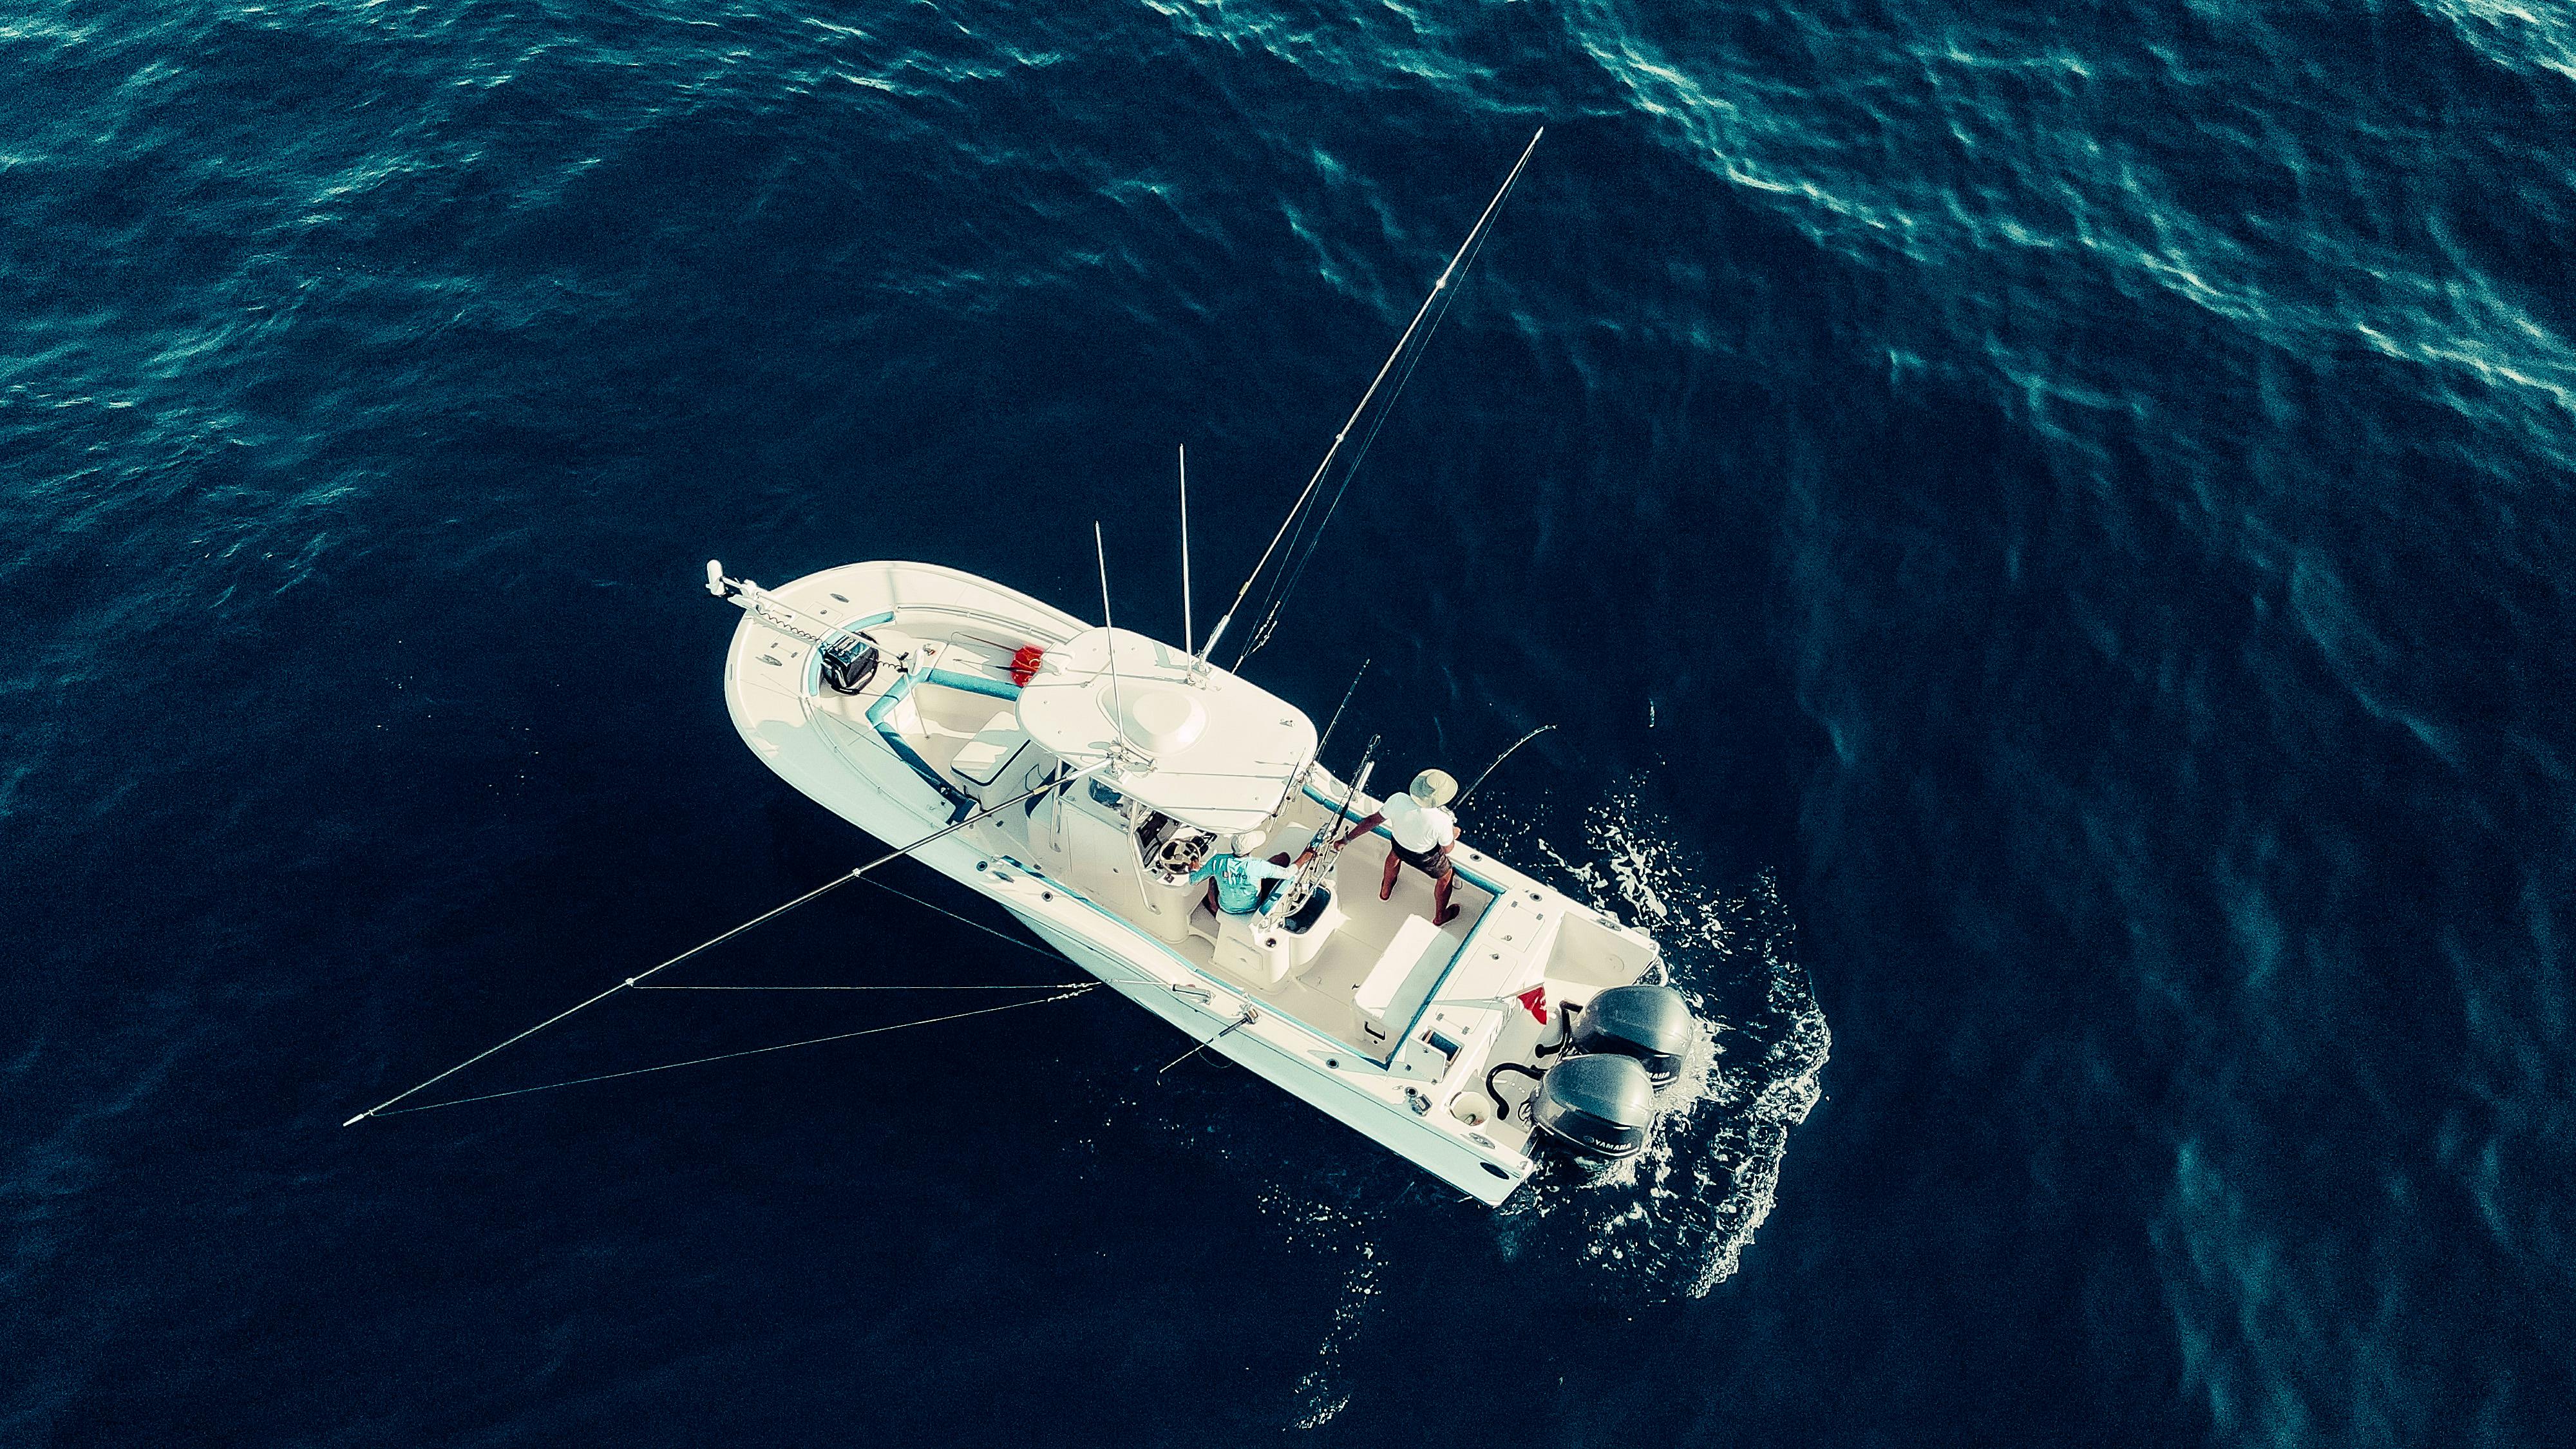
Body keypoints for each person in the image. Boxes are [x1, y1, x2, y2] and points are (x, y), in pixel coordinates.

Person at [1340, 768, 1461, 925]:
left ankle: (1385, 891)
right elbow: (1447, 849)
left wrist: (1346, 839)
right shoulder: (1442, 820)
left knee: (1394, 856)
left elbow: (1372, 821)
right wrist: (1453, 832)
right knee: (1446, 876)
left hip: (1398, 846)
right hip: (1425, 857)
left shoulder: (1398, 799)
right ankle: (1440, 917)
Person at [1189, 829, 1307, 916]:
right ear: (1251, 848)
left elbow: (1193, 881)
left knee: (1213, 878)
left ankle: (1214, 906)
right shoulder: (1258, 865)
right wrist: (1305, 857)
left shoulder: (1217, 861)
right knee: (1283, 858)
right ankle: (1214, 907)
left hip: (1227, 907)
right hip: (1252, 906)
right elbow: (1287, 874)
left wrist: (1194, 869)